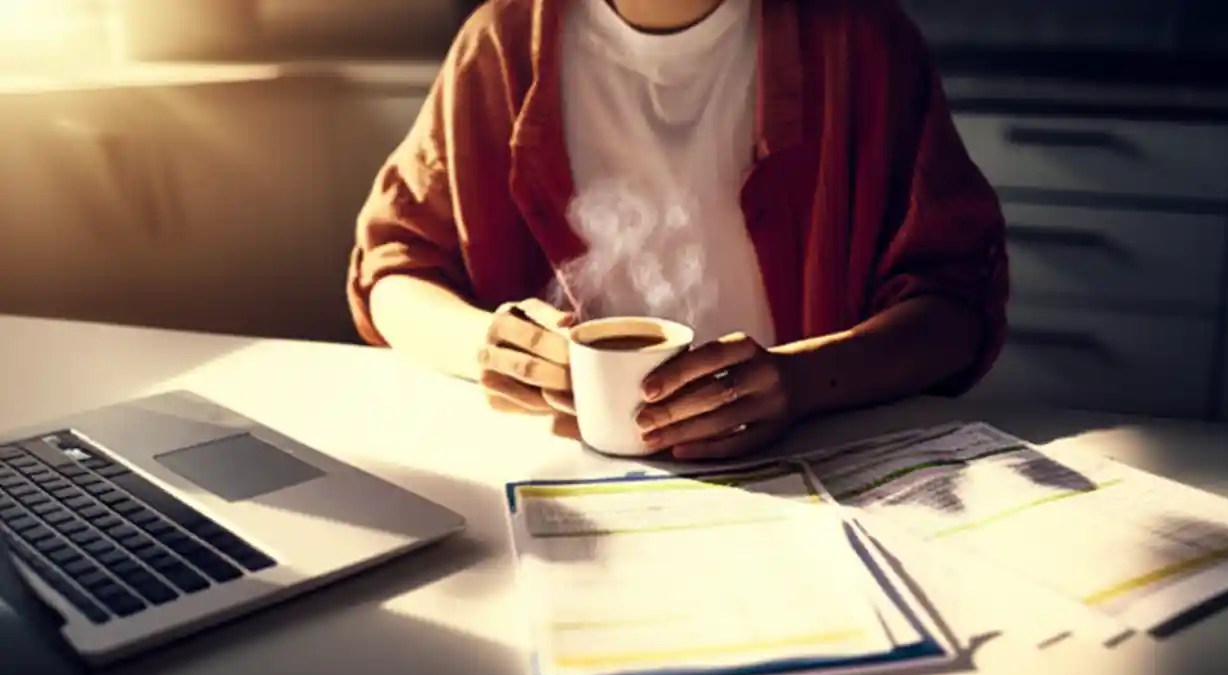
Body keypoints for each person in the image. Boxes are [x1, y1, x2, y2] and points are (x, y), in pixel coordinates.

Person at [347, 0, 1009, 460]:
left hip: (813, 482)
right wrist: (487, 346)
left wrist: (804, 382)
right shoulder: (502, 44)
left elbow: (955, 310)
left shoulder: (858, 42)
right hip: (565, 489)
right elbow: (394, 271)